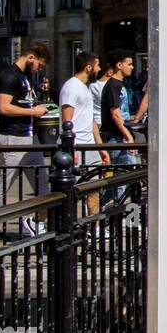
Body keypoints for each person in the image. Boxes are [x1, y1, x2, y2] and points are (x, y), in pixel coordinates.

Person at [0, 42, 52, 236]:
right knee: (3, 181)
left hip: (29, 137)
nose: (39, 69)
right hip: (13, 137)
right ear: (30, 57)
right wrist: (33, 111)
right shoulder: (9, 76)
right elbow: (4, 107)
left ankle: (37, 221)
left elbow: (22, 102)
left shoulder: (25, 77)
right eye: (39, 65)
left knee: (43, 183)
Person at [59, 51, 109, 217]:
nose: (99, 69)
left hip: (88, 146)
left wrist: (100, 147)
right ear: (88, 68)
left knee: (93, 188)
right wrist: (70, 148)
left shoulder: (84, 88)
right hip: (76, 146)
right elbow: (67, 122)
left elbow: (91, 121)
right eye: (97, 65)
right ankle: (39, 221)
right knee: (67, 191)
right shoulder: (71, 87)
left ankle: (94, 225)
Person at [100, 51, 137, 206]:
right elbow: (115, 113)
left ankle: (98, 208)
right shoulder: (113, 85)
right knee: (124, 177)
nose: (132, 67)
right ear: (119, 65)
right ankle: (118, 213)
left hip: (119, 135)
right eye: (129, 64)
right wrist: (128, 136)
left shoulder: (119, 85)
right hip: (116, 137)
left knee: (121, 178)